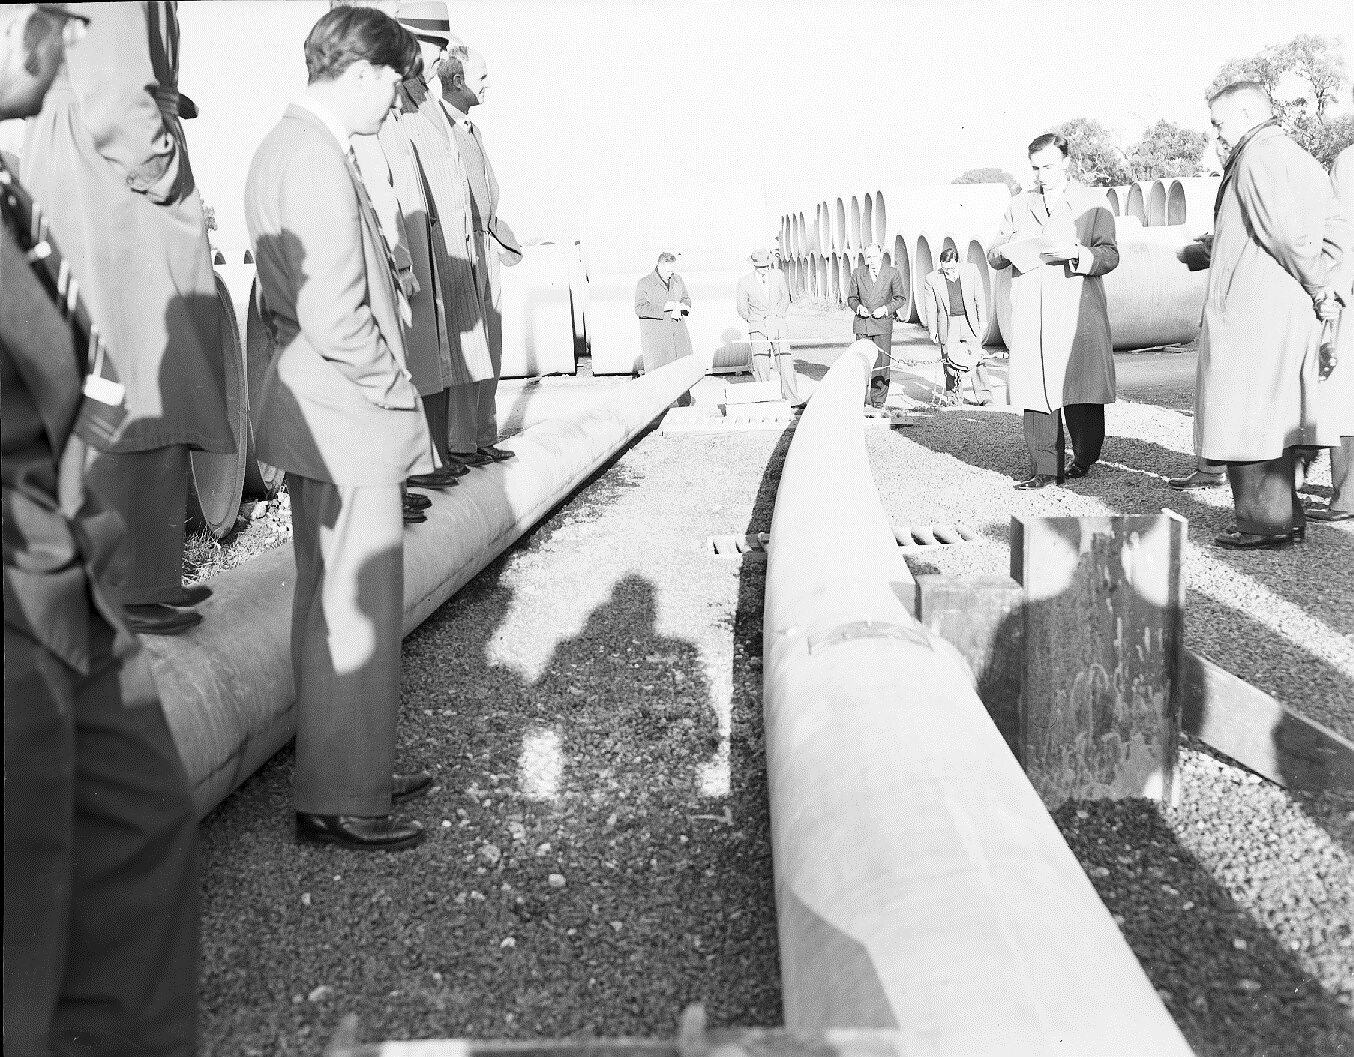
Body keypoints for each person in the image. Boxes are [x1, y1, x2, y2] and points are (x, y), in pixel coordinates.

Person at [2, 7, 199, 1054]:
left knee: (132, 858)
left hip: (62, 588)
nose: (63, 41)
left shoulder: (10, 185)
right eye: (42, 21)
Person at [244, 4, 436, 851]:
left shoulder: (290, 147)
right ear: (359, 73)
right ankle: (341, 796)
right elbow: (336, 316)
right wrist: (397, 395)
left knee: (328, 605)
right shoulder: (316, 158)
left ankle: (344, 767)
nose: (396, 98)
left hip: (318, 413)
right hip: (346, 414)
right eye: (393, 81)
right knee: (356, 607)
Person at [22, 0, 232, 635]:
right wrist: (167, 168)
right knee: (141, 379)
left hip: (90, 175)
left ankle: (143, 576)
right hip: (109, 190)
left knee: (142, 378)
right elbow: (117, 105)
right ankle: (126, 586)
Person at [1195, 82, 1346, 548]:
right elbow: (1327, 232)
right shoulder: (1294, 155)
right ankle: (1285, 516)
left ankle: (1266, 524)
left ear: (1244, 113)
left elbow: (1284, 235)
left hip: (1253, 315)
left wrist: (1320, 286)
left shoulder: (1257, 155)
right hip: (1275, 308)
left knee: (1246, 418)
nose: (1215, 135)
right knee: (1271, 416)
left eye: (1219, 123)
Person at [989, 132, 1118, 488]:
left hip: (1076, 311)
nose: (1041, 175)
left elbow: (1110, 255)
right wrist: (1006, 250)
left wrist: (1077, 253)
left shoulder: (1094, 203)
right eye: (1035, 168)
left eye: (1048, 166)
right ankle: (1045, 469)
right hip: (1032, 310)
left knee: (1080, 388)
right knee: (1035, 389)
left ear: (1066, 162)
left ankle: (1085, 456)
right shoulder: (1018, 205)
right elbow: (994, 252)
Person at [439, 43, 521, 466]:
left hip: (486, 246)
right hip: (462, 250)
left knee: (492, 341)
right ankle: (461, 442)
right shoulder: (441, 129)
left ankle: (483, 435)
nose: (488, 85)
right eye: (482, 77)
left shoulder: (470, 128)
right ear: (458, 81)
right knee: (467, 346)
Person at [1305, 142, 1354, 522]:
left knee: (1344, 397)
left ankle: (1348, 498)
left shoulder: (1348, 160)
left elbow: (1341, 236)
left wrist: (1329, 300)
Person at [736, 248, 805, 405]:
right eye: (760, 267)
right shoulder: (745, 281)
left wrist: (779, 314)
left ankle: (793, 398)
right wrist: (753, 319)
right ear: (754, 265)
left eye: (766, 266)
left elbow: (785, 297)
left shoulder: (778, 275)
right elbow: (741, 308)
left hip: (777, 324)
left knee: (785, 361)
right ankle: (765, 398)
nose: (764, 269)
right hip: (757, 327)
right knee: (761, 364)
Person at [925, 246, 992, 406]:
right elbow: (931, 306)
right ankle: (954, 398)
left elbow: (979, 296)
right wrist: (933, 329)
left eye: (951, 268)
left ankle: (985, 396)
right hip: (949, 325)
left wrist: (982, 320)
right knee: (949, 361)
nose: (948, 272)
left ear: (957, 263)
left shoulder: (971, 270)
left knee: (977, 359)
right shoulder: (932, 278)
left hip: (969, 322)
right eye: (945, 269)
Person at [847, 242, 908, 411]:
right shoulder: (858, 273)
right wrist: (858, 307)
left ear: (881, 256)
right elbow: (852, 298)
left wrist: (886, 309)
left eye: (874, 256)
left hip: (882, 324)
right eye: (868, 257)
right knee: (860, 362)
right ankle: (859, 395)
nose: (871, 261)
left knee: (881, 363)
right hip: (863, 325)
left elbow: (900, 298)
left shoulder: (892, 273)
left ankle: (878, 397)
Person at [635, 250, 694, 373]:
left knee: (682, 375)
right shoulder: (645, 283)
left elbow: (686, 298)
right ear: (659, 266)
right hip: (658, 340)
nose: (671, 273)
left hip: (678, 336)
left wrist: (683, 306)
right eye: (668, 271)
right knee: (660, 378)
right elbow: (639, 308)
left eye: (672, 270)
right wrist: (665, 307)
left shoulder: (678, 280)